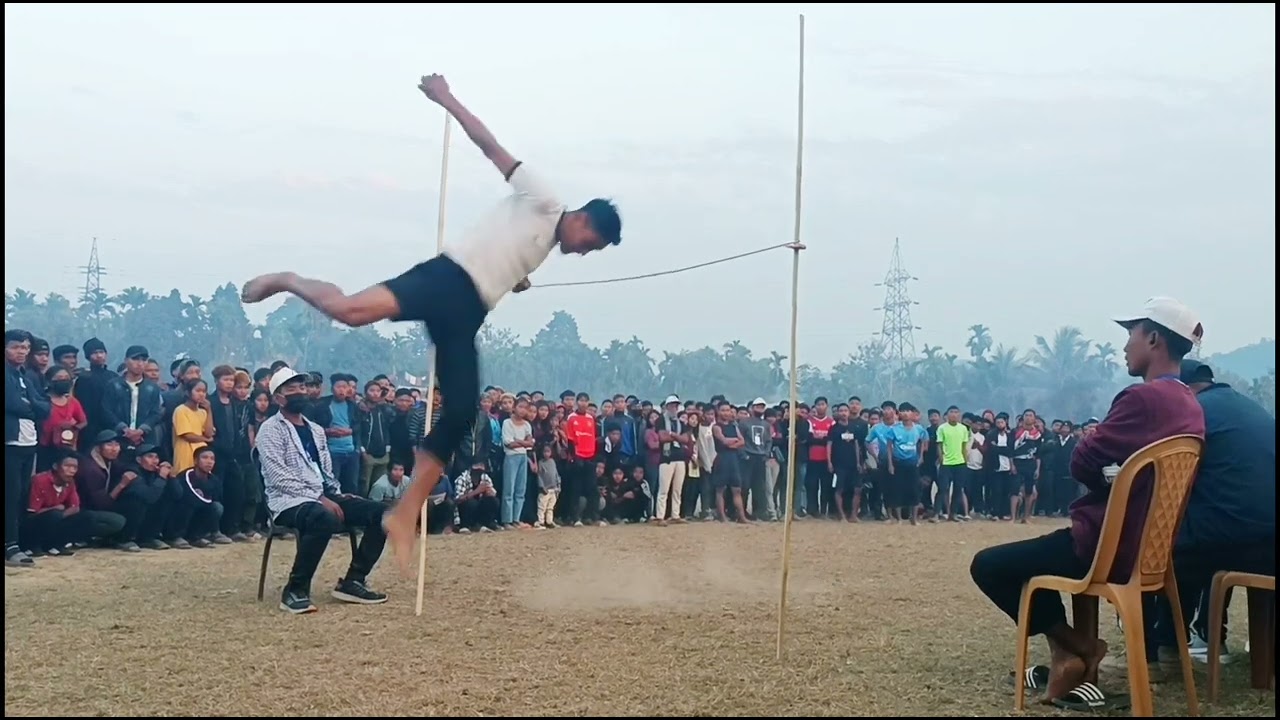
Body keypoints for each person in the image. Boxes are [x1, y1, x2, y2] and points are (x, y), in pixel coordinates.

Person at [242, 74, 622, 570]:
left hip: (465, 314)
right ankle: (289, 278)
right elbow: (490, 146)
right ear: (585, 221)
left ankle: (404, 514)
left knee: (462, 412)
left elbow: (505, 260)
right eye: (589, 246)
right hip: (445, 280)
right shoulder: (546, 199)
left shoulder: (546, 245)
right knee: (349, 312)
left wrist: (516, 279)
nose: (581, 253)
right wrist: (446, 100)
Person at [969, 297, 1206, 708]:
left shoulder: (1142, 399)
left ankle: (1079, 645)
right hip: (1148, 549)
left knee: (990, 565)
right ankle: (1066, 654)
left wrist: (1102, 466)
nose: (1125, 345)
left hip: (1105, 544)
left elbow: (1082, 461)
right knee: (1029, 560)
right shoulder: (1190, 405)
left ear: (1153, 338)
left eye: (1131, 334)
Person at [256, 368, 390, 614]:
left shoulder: (316, 430)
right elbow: (278, 477)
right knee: (323, 517)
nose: (300, 392)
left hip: (322, 496)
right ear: (278, 398)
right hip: (288, 501)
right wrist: (318, 498)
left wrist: (336, 493)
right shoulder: (270, 430)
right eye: (292, 389)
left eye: (302, 387)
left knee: (383, 514)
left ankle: (353, 581)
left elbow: (326, 472)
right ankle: (295, 591)